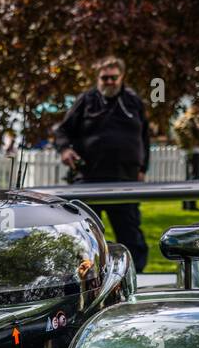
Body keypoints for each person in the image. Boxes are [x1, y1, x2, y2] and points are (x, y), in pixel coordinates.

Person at [54, 55, 151, 272]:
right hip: (90, 179)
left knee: (131, 236)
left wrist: (143, 168)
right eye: (104, 78)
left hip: (125, 180)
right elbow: (62, 131)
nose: (109, 82)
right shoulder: (86, 100)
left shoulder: (134, 102)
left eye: (113, 78)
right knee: (82, 236)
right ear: (97, 77)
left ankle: (136, 277)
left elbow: (145, 138)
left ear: (122, 77)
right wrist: (65, 149)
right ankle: (84, 278)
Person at [173, 105, 199, 210]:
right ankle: (192, 205)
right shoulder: (194, 120)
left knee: (188, 178)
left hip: (186, 151)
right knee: (195, 179)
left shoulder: (182, 119)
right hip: (195, 151)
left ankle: (185, 204)